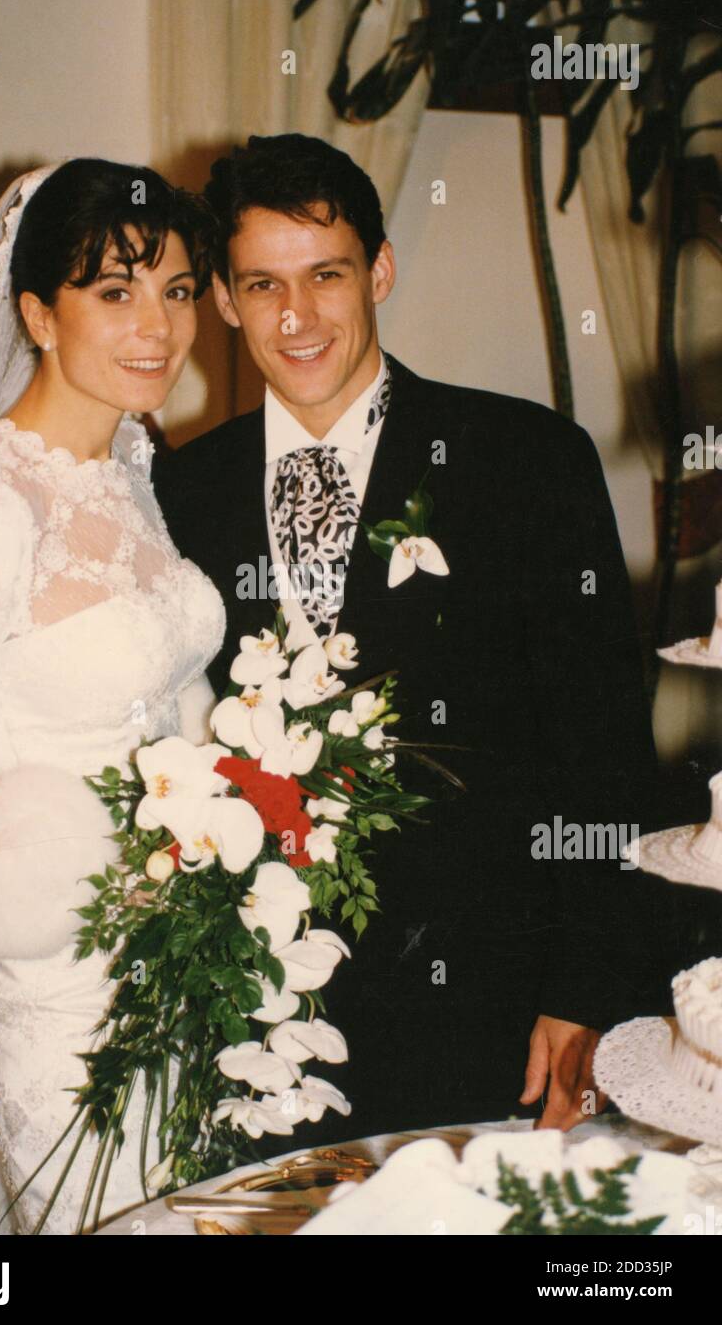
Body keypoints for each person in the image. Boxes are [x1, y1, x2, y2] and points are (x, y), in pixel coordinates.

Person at [152, 132, 675, 1150]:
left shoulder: (526, 461)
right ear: (223, 298)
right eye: (262, 284)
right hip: (261, 1030)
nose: (296, 317)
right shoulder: (178, 492)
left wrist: (586, 992)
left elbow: (605, 750)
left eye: (327, 275)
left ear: (379, 270)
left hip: (493, 1017)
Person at [0, 159, 225, 1233]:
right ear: (37, 312)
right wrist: (71, 875)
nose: (157, 325)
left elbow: (166, 696)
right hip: (62, 989)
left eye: (178, 288)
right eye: (115, 291)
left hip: (183, 963)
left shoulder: (126, 467)